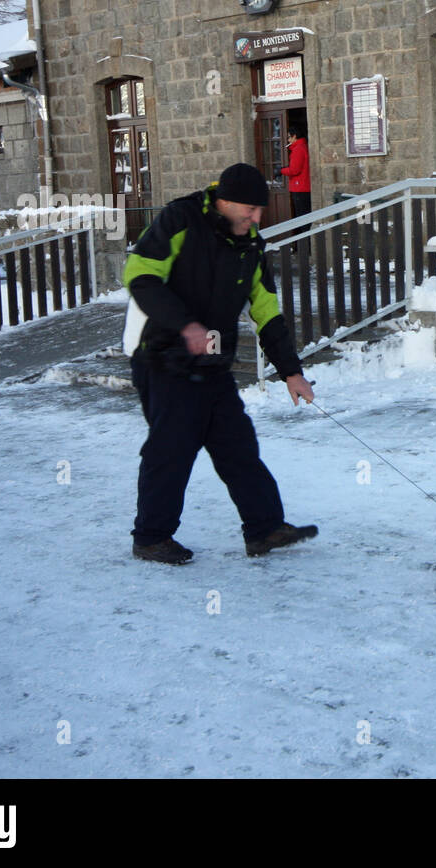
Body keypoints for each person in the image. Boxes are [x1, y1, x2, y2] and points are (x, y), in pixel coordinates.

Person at [123, 162, 316, 565]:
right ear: (224, 201)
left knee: (238, 446)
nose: (257, 218)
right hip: (162, 357)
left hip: (212, 362)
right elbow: (139, 275)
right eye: (250, 210)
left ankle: (264, 529)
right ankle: (151, 538)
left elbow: (267, 310)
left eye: (261, 211)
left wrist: (291, 372)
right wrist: (185, 325)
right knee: (171, 450)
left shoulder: (250, 244)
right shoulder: (180, 219)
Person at [279, 127, 311, 220]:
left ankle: (305, 234)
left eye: (289, 137)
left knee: (302, 217)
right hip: (303, 187)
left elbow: (294, 170)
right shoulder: (303, 147)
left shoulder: (298, 149)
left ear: (295, 136)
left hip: (300, 188)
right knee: (304, 215)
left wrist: (282, 170)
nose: (288, 140)